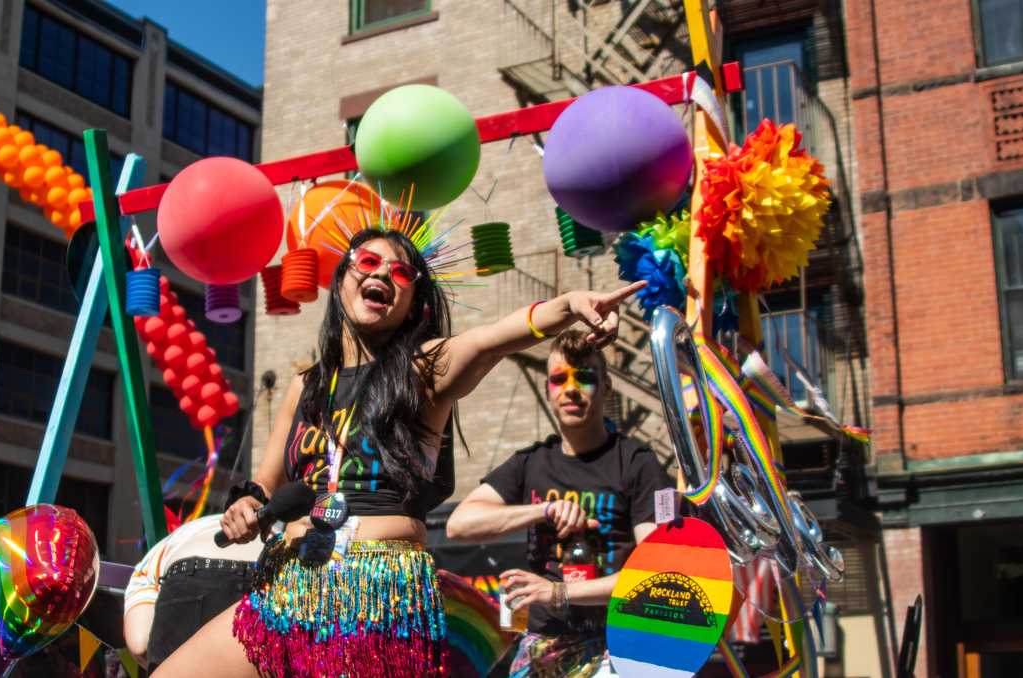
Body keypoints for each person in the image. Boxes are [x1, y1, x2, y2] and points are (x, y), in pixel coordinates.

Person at [153, 227, 643, 678]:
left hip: (376, 589)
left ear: (413, 304)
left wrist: (570, 305)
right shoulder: (306, 384)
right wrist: (247, 506)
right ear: (344, 278)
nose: (384, 273)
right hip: (288, 582)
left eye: (401, 271)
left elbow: (495, 340)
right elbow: (265, 483)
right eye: (369, 261)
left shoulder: (423, 369)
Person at [446, 328, 669, 677]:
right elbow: (459, 524)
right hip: (542, 646)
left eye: (584, 378)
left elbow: (656, 574)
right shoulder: (531, 462)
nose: (571, 389)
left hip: (617, 647)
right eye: (558, 379)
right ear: (549, 390)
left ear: (606, 387)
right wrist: (543, 510)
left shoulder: (637, 462)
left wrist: (559, 593)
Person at [122, 511, 265, 669]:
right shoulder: (276, 526)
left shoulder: (162, 551)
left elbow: (140, 643)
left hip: (193, 573)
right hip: (268, 572)